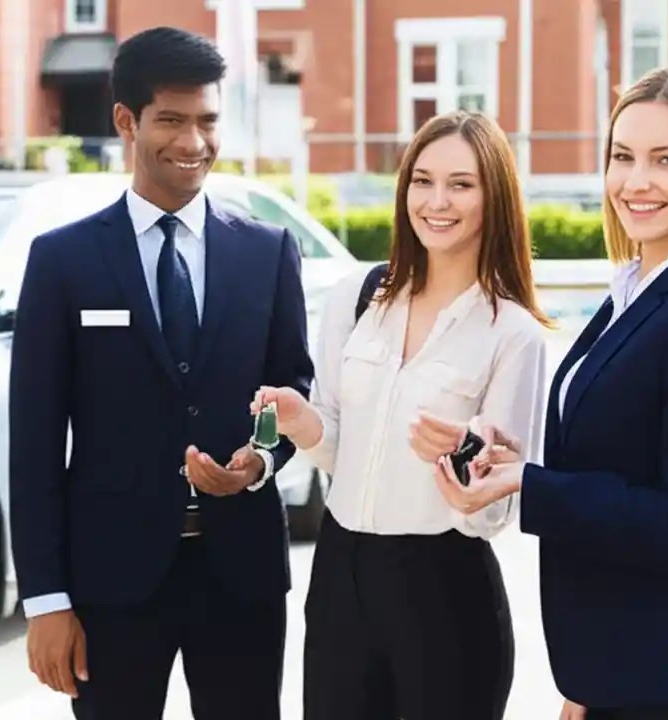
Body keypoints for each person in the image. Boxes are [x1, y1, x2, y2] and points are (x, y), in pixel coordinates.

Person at [427, 65, 668, 720]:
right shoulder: (636, 291)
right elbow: (617, 463)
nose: (635, 181)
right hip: (625, 668)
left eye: (666, 159)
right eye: (622, 156)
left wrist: (531, 485)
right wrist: (514, 462)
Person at [8, 26, 314, 720]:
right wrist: (46, 600)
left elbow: (290, 392)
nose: (194, 142)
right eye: (172, 120)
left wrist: (259, 460)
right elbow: (34, 444)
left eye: (208, 121)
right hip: (109, 582)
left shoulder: (267, 252)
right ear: (127, 121)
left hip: (241, 578)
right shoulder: (62, 261)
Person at [253, 110, 552, 719]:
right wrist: (302, 421)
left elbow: (494, 514)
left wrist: (466, 458)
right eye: (422, 180)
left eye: (461, 184)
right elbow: (338, 450)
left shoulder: (513, 333)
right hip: (340, 578)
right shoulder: (358, 298)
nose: (436, 201)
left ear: (495, 197)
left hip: (446, 588)